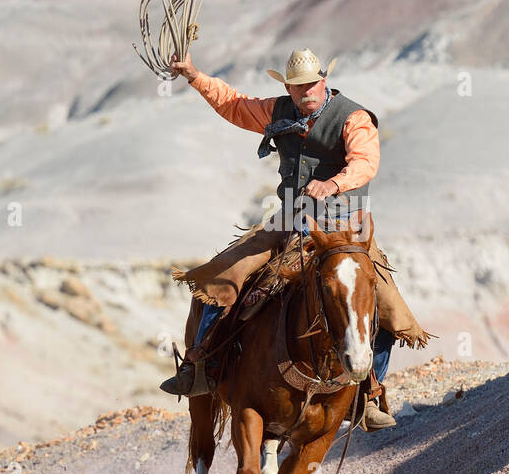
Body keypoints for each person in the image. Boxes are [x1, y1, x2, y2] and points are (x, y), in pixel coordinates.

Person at [162, 46, 432, 430]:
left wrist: (334, 183)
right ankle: (199, 365)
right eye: (297, 85)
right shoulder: (278, 110)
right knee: (222, 279)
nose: (305, 91)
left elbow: (365, 162)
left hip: (347, 228)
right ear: (288, 86)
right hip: (290, 218)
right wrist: (193, 74)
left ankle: (367, 394)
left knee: (387, 310)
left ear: (325, 81)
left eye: (311, 83)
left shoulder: (353, 117)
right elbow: (234, 105)